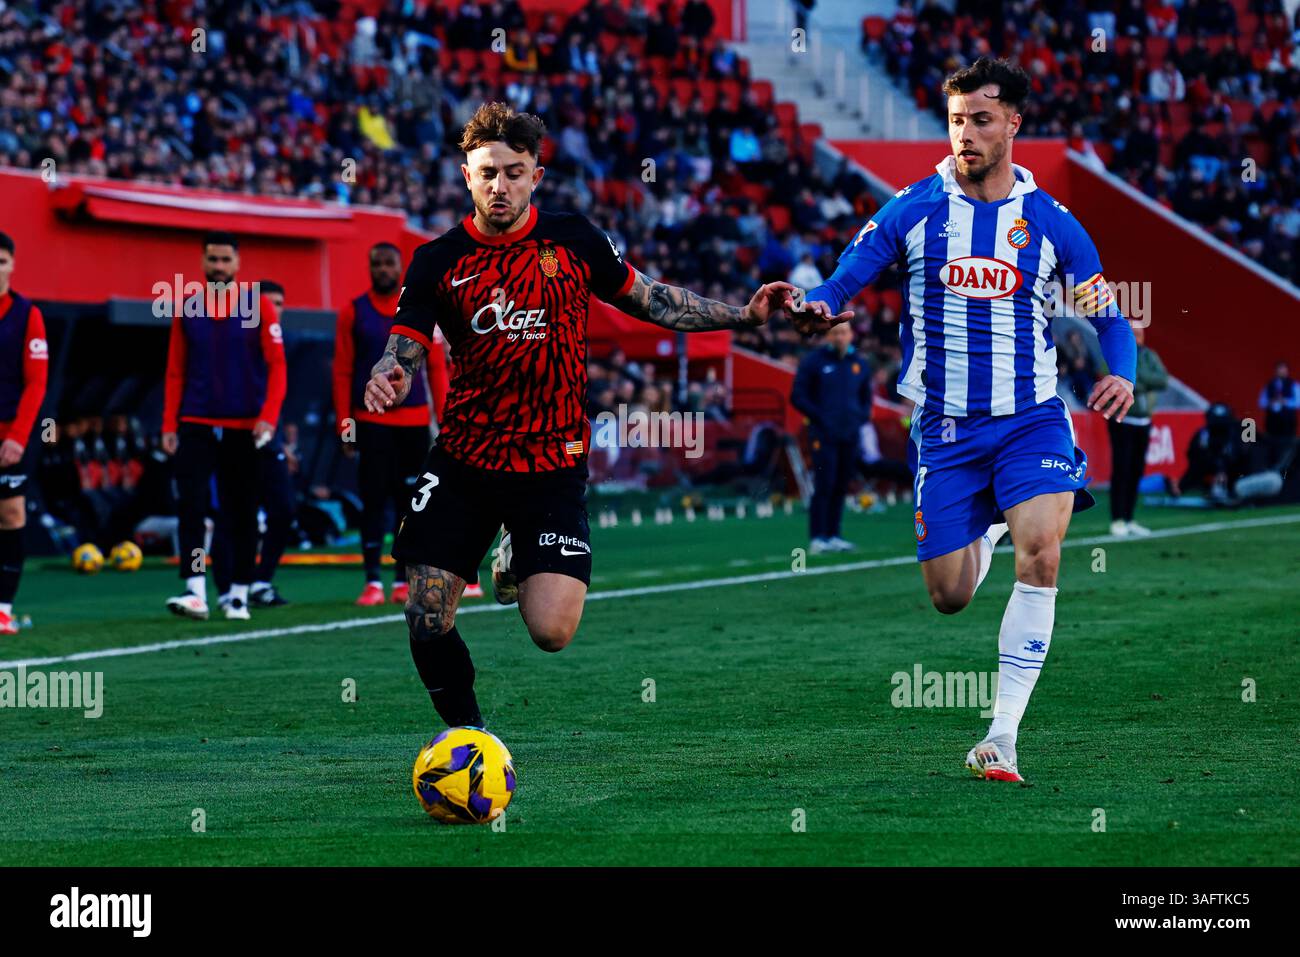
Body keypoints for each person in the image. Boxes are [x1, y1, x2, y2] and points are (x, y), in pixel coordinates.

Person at [362, 102, 830, 733]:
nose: (500, 185)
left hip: (551, 463)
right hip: (465, 458)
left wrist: (742, 317)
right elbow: (406, 344)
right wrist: (389, 373)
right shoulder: (436, 260)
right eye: (487, 172)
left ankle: (515, 554)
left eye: (514, 171)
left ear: (536, 177)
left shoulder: (573, 239)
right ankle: (469, 739)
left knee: (552, 633)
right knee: (425, 613)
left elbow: (653, 300)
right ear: (465, 175)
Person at [795, 58, 1137, 782]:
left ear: (1013, 123)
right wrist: (812, 305)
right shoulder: (912, 209)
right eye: (956, 120)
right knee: (949, 595)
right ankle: (984, 521)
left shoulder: (1051, 225)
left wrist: (1123, 375)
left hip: (1031, 420)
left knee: (1041, 551)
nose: (966, 133)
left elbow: (1112, 320)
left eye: (981, 119)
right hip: (946, 432)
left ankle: (1002, 735)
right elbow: (841, 283)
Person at [162, 232, 286, 621]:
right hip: (196, 422)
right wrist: (170, 423)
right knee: (192, 508)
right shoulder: (187, 307)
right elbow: (175, 371)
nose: (218, 267)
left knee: (243, 511)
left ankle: (238, 594)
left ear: (237, 263)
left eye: (224, 260)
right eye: (212, 260)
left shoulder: (260, 306)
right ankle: (195, 590)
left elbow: (277, 366)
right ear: (203, 261)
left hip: (244, 426)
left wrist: (267, 416)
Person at [333, 243, 448, 606]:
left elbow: (437, 369)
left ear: (399, 267)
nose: (382, 269)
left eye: (388, 264)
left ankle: (401, 579)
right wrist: (345, 426)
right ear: (370, 267)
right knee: (372, 500)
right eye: (377, 263)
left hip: (414, 423)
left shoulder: (418, 310)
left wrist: (444, 422)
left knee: (410, 502)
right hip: (371, 421)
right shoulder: (353, 312)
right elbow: (342, 371)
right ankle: (371, 581)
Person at [213, 279, 298, 608]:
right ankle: (225, 589)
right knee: (230, 513)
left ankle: (260, 581)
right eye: (267, 303)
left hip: (268, 438)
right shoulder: (236, 344)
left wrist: (281, 440)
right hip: (235, 434)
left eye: (278, 303)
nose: (273, 309)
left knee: (284, 509)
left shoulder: (279, 344)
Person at [0, 231, 49, 635]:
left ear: (12, 265)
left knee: (11, 513)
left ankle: (3, 607)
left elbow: (37, 383)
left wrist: (17, 436)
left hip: (9, 435)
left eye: (1, 261)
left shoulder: (27, 314)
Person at [791, 323, 873, 553]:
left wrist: (860, 417)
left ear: (851, 334)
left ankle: (834, 534)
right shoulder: (813, 362)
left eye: (843, 332)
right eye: (835, 333)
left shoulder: (859, 363)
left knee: (841, 485)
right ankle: (818, 537)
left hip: (850, 433)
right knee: (824, 484)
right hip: (823, 434)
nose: (839, 337)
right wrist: (820, 417)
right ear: (828, 335)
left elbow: (866, 396)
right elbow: (797, 396)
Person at [1106, 322, 1168, 537]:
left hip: (1144, 420)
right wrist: (1137, 382)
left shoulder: (1149, 355)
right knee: (1121, 469)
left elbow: (1162, 380)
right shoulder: (1117, 353)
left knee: (1136, 470)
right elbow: (1113, 380)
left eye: (1141, 333)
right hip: (1123, 418)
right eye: (1134, 333)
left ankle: (1130, 518)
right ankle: (1117, 519)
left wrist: (1136, 380)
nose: (1138, 337)